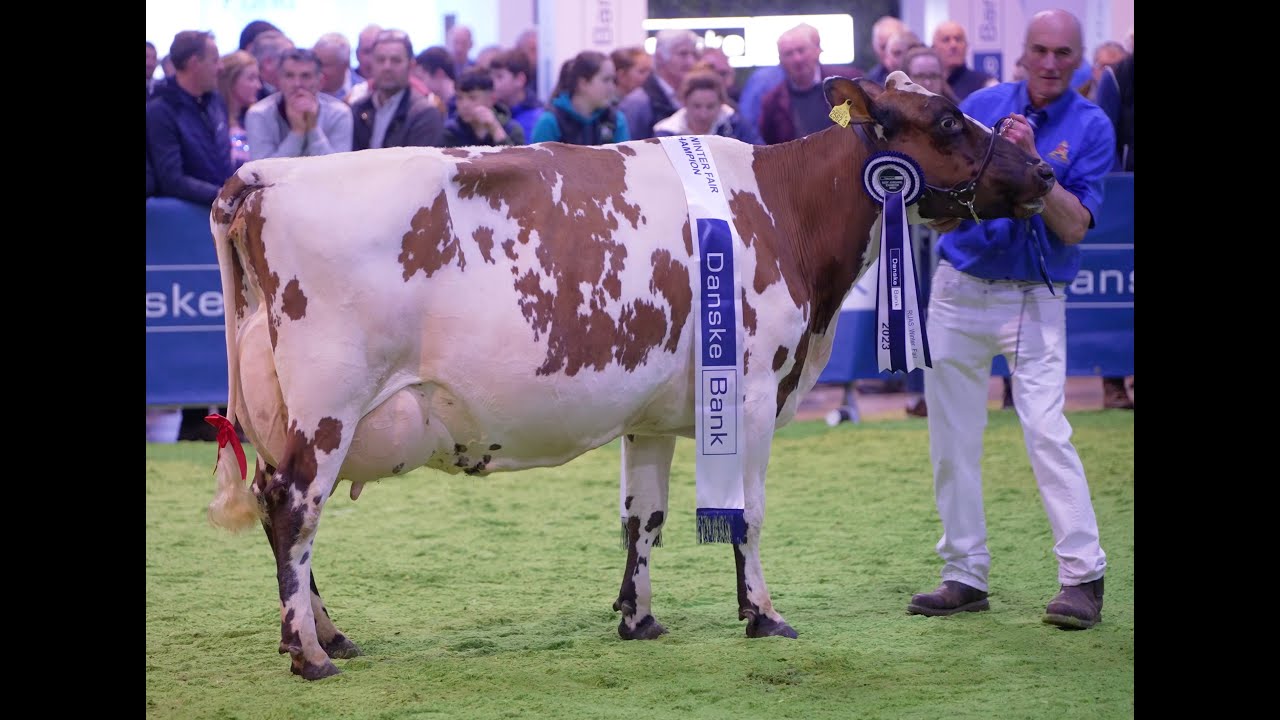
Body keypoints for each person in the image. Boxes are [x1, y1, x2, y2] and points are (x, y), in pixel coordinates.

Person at [907, 9, 1115, 630]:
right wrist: (941, 212)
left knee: (1047, 432)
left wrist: (1031, 164)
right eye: (1040, 51)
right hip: (959, 287)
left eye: (1062, 54)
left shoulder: (1091, 125)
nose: (1050, 63)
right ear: (1022, 53)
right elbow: (946, 195)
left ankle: (1083, 577)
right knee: (951, 442)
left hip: (1034, 295)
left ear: (1078, 60)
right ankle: (964, 575)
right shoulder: (981, 104)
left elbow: (1075, 225)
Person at [245, 48, 353, 159]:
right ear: (279, 80)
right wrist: (297, 132)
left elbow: (336, 170)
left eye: (305, 76)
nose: (297, 84)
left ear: (320, 81)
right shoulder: (258, 114)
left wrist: (313, 128)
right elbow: (263, 173)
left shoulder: (340, 113)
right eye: (289, 76)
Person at [351, 30, 445, 150]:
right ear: (372, 64)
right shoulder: (359, 108)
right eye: (380, 60)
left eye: (395, 60)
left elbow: (420, 166)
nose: (387, 67)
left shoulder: (425, 114)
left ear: (411, 66)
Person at [530, 50, 629, 145]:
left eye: (613, 80)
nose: (612, 87)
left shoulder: (616, 120)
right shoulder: (550, 122)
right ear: (583, 83)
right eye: (606, 80)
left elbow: (625, 161)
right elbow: (537, 162)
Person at [617, 29, 697, 140]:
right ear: (660, 57)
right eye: (683, 54)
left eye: (694, 54)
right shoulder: (637, 103)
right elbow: (628, 151)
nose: (691, 61)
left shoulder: (692, 96)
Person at [653, 67, 761, 144]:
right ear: (684, 103)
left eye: (710, 107)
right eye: (696, 106)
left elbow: (760, 159)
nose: (703, 114)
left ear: (721, 103)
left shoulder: (736, 125)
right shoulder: (665, 134)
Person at [442, 67, 524, 147]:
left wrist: (496, 130)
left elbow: (517, 160)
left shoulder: (511, 130)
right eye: (459, 98)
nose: (465, 105)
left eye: (472, 98)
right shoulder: (450, 131)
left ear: (491, 99)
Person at [217, 50, 261, 170]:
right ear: (231, 81)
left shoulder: (257, 119)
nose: (258, 86)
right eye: (251, 78)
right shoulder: (215, 122)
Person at [931, 21, 996, 100]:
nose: (953, 45)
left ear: (966, 46)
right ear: (933, 48)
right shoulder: (926, 85)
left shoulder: (986, 85)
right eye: (946, 40)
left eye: (958, 39)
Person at [864, 15, 908, 85]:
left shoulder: (922, 75)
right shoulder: (870, 81)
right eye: (883, 47)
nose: (889, 54)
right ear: (874, 46)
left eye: (896, 50)